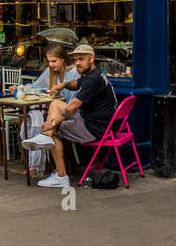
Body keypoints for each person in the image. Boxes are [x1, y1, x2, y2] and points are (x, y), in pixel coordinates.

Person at [39, 44, 118, 189]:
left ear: (91, 58)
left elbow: (73, 106)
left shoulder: (93, 80)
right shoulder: (93, 75)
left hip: (94, 129)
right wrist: (62, 85)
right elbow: (76, 84)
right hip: (97, 123)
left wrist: (52, 123)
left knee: (52, 130)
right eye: (75, 60)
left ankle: (61, 177)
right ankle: (45, 135)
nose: (77, 63)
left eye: (81, 59)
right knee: (55, 104)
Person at [24, 43, 79, 178]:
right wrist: (20, 88)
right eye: (49, 61)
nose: (51, 64)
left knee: (43, 124)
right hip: (54, 112)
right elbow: (36, 87)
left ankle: (39, 165)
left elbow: (72, 102)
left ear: (63, 59)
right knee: (32, 119)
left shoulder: (73, 73)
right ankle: (40, 164)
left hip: (69, 113)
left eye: (54, 61)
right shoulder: (50, 72)